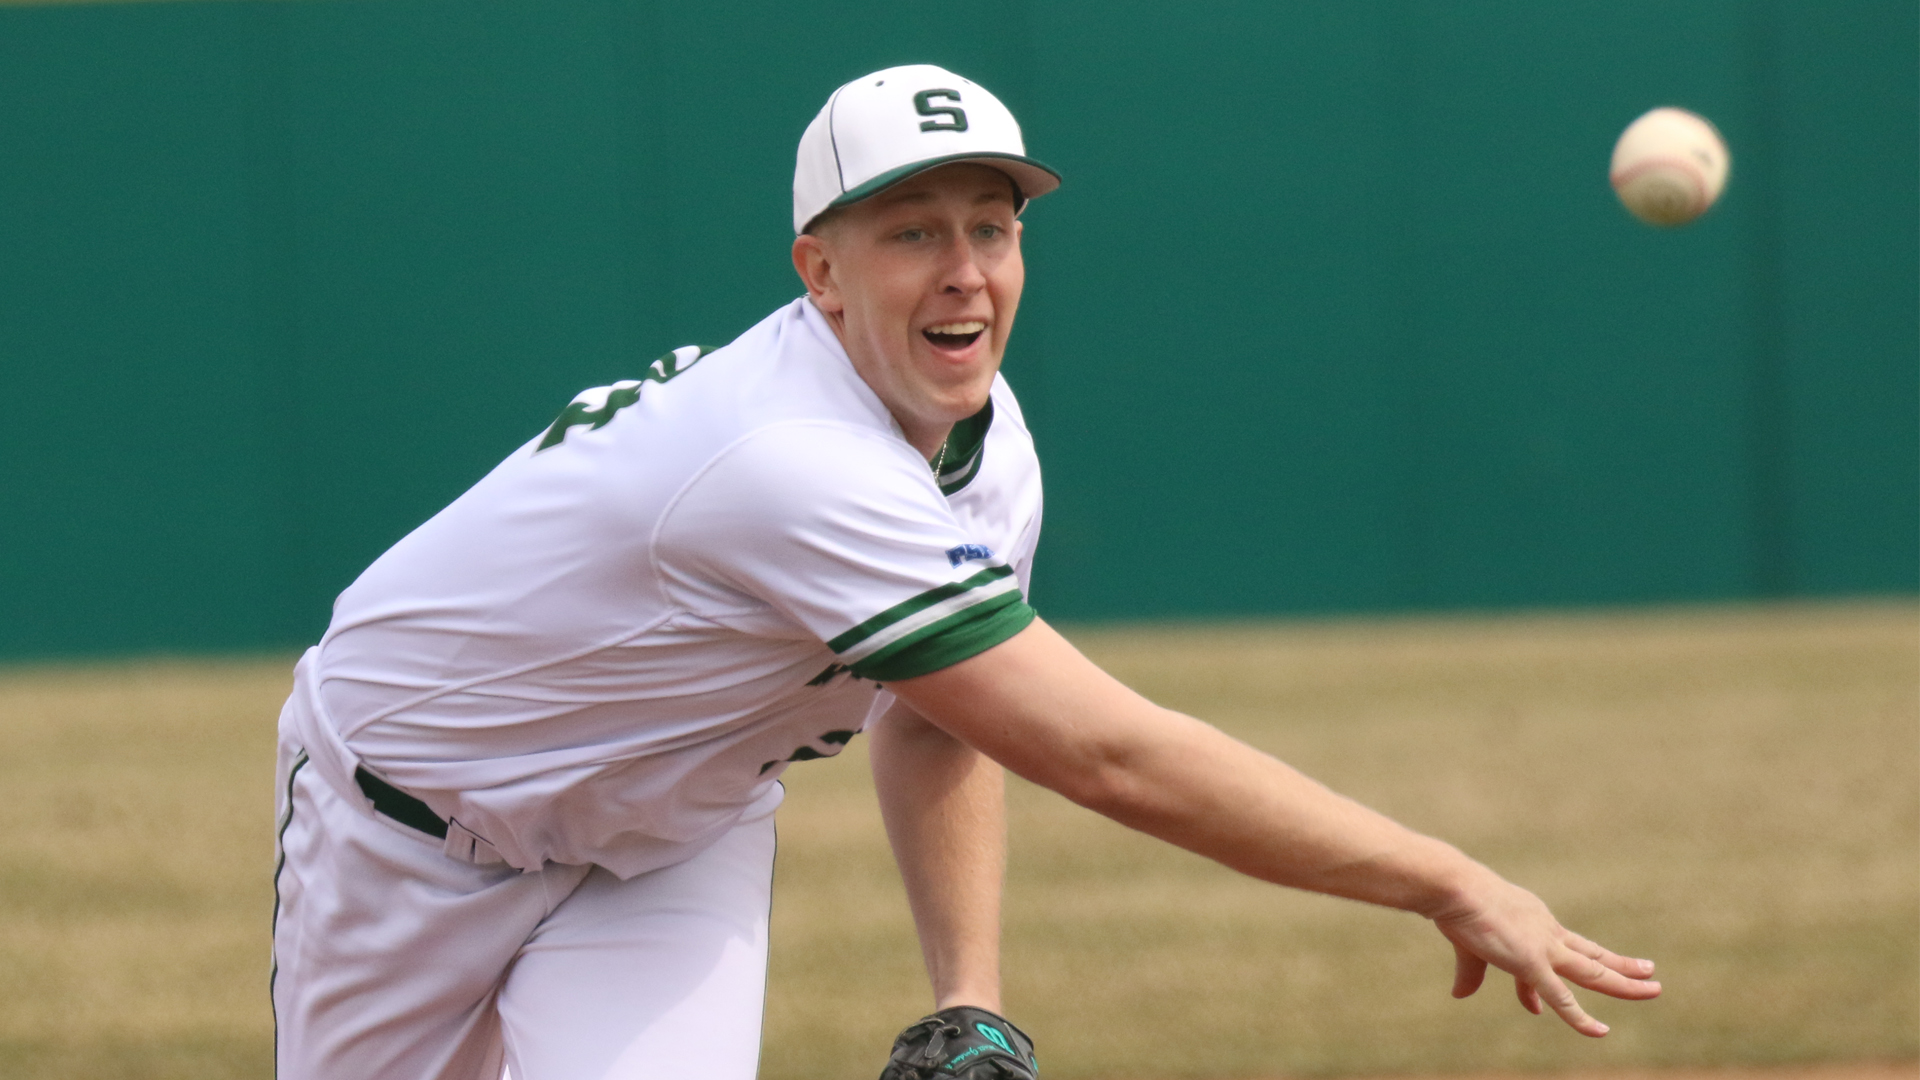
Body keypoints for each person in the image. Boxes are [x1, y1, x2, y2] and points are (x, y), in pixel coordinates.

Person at [270, 63, 1659, 1080]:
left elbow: (938, 716)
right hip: (406, 826)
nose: (964, 271)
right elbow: (1107, 754)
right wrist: (1442, 877)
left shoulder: (981, 442)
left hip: (664, 844)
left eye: (990, 226)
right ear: (819, 270)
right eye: (911, 230)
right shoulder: (789, 460)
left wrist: (970, 1000)